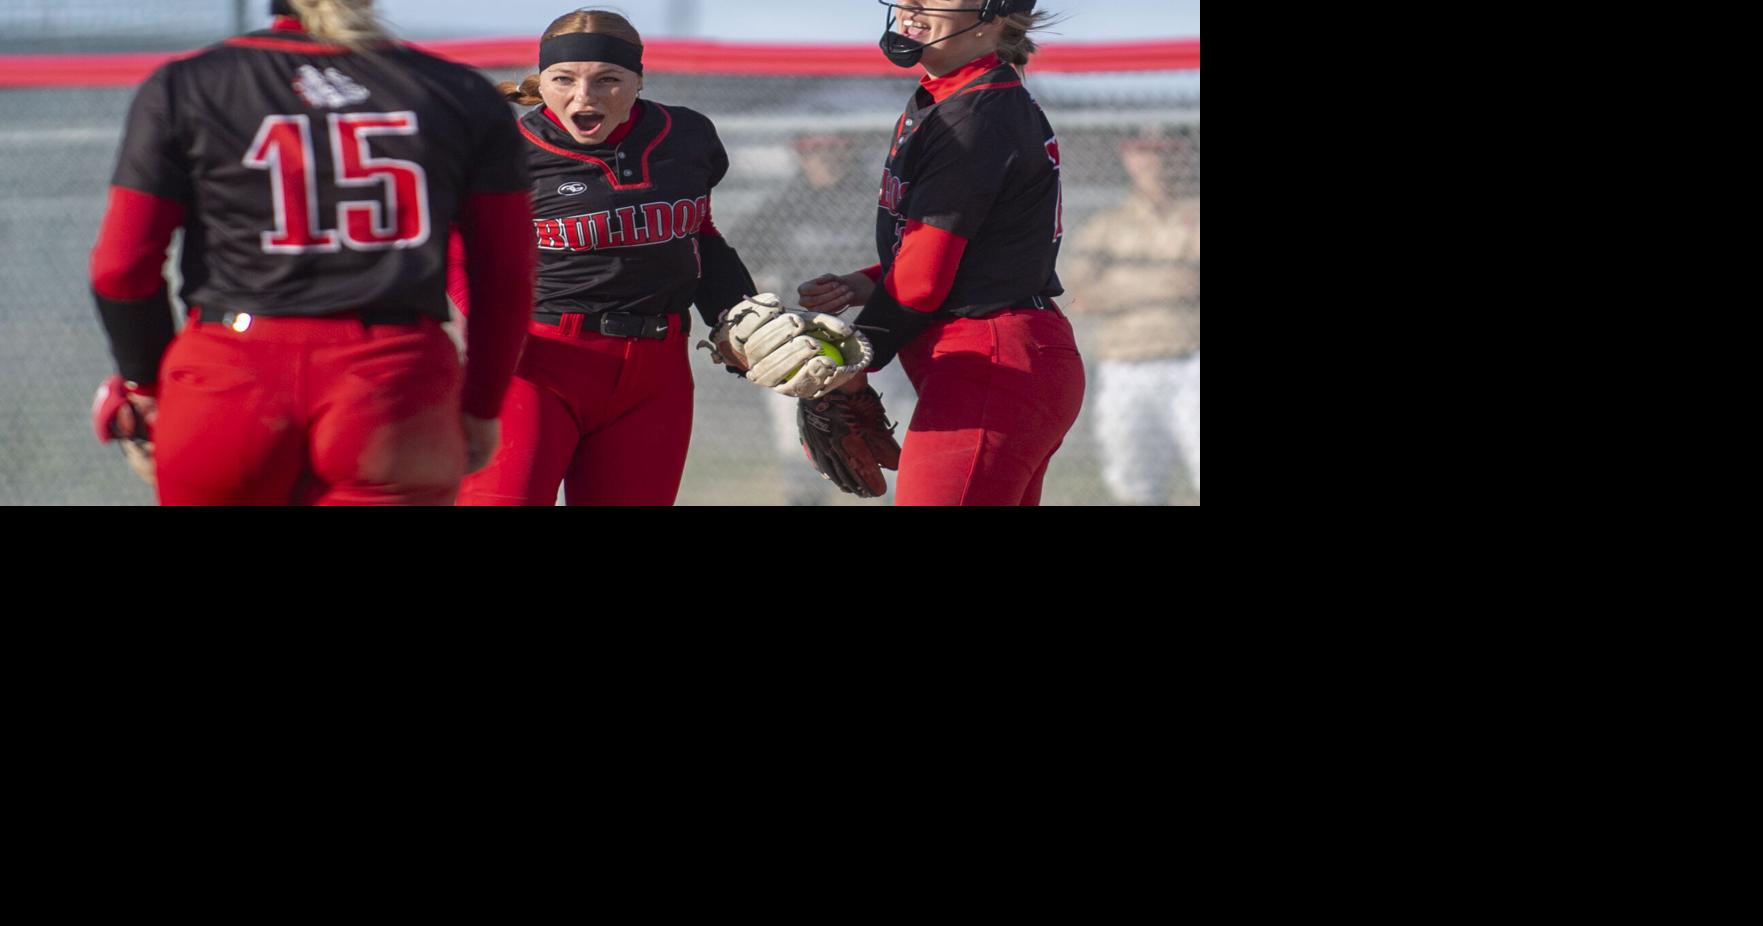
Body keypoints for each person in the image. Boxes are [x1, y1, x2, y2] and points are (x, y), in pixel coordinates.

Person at [89, 0, 533, 505]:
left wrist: (144, 386)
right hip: (393, 378)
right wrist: (482, 405)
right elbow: (505, 276)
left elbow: (120, 269)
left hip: (232, 366)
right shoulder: (460, 92)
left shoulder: (187, 84)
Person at [448, 9, 758, 506]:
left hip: (657, 372)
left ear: (639, 79)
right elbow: (456, 249)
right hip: (538, 362)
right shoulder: (505, 149)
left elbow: (696, 232)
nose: (583, 97)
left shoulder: (687, 135)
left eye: (607, 80)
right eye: (563, 79)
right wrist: (490, 333)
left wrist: (739, 315)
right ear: (543, 80)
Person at [785, 0, 1083, 506]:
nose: (912, 5)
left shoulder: (973, 114)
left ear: (993, 14)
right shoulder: (953, 96)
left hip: (992, 362)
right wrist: (871, 280)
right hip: (998, 355)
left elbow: (924, 280)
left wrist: (853, 361)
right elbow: (964, 249)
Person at [739, 132, 918, 505]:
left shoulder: (871, 202)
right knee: (799, 435)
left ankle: (899, 499)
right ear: (801, 156)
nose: (825, 159)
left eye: (837, 149)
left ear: (851, 153)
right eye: (816, 151)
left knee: (893, 427)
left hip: (875, 334)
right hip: (802, 342)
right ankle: (806, 499)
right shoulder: (786, 202)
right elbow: (744, 254)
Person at [1065, 129, 1200, 503]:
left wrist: (1121, 284)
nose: (1154, 162)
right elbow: (1079, 294)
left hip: (1190, 358)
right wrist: (1168, 284)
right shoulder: (1108, 226)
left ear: (1183, 156)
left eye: (1166, 151)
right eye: (1144, 152)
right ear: (1128, 157)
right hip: (1125, 363)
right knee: (1134, 482)